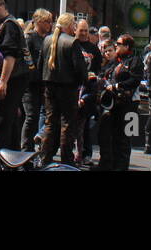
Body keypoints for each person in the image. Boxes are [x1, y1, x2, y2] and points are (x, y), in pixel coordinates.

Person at [40, 12, 86, 166]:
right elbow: (80, 69)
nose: (75, 28)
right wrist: (82, 81)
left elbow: (41, 65)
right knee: (67, 123)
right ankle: (66, 160)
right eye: (73, 24)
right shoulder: (72, 42)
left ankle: (44, 157)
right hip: (68, 87)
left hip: (49, 85)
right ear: (68, 25)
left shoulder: (47, 40)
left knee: (50, 123)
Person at [0, 0, 29, 150]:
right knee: (10, 120)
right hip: (11, 80)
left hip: (12, 80)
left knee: (1, 118)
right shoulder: (0, 25)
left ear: (3, 6)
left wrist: (3, 81)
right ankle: (12, 158)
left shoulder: (9, 25)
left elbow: (10, 56)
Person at [97, 35, 143, 170]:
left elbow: (135, 80)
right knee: (110, 135)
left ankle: (122, 167)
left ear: (127, 46)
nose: (116, 45)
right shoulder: (114, 62)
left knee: (125, 138)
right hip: (114, 104)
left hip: (131, 104)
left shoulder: (136, 61)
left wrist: (117, 86)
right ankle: (109, 164)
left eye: (119, 43)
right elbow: (104, 74)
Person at [22, 9, 52, 151]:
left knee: (41, 116)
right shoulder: (29, 38)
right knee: (31, 117)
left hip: (43, 83)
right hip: (30, 84)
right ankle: (25, 149)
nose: (49, 24)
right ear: (38, 21)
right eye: (47, 21)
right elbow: (27, 61)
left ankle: (34, 148)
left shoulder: (46, 38)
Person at [73, 19, 102, 165]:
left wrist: (94, 76)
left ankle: (85, 154)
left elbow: (97, 68)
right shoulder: (72, 45)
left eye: (86, 30)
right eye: (81, 30)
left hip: (88, 90)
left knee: (84, 126)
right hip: (73, 88)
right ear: (75, 30)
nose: (83, 33)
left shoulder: (93, 48)